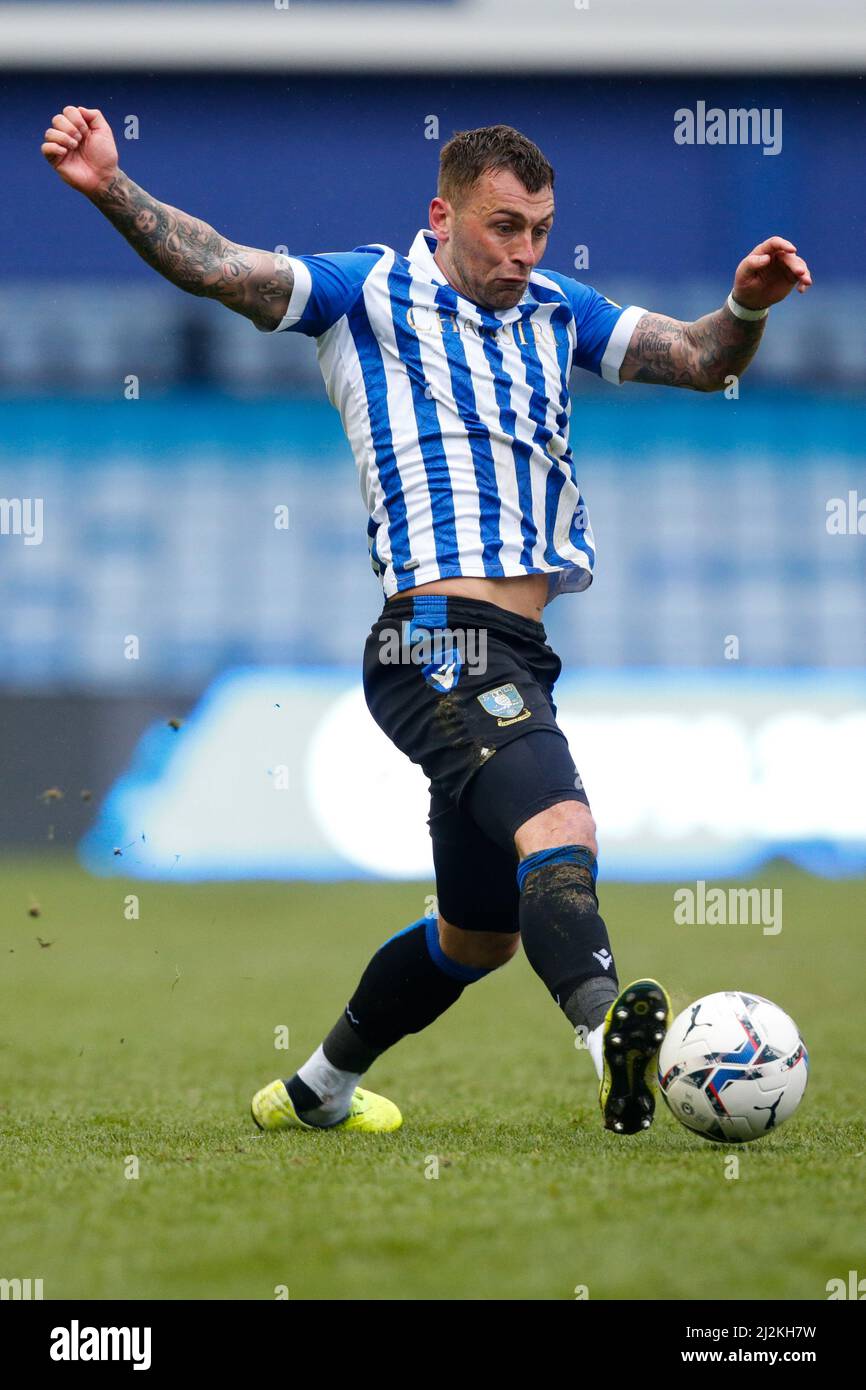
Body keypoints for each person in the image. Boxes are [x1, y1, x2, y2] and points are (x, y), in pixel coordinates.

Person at [43, 110, 812, 1136]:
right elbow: (224, 269)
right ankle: (612, 1046)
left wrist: (745, 305)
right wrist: (110, 187)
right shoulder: (367, 290)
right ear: (443, 216)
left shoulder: (559, 309)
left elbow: (702, 358)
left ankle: (318, 1088)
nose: (523, 251)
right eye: (503, 227)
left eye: (540, 230)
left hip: (518, 651)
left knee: (477, 935)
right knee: (561, 826)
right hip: (432, 636)